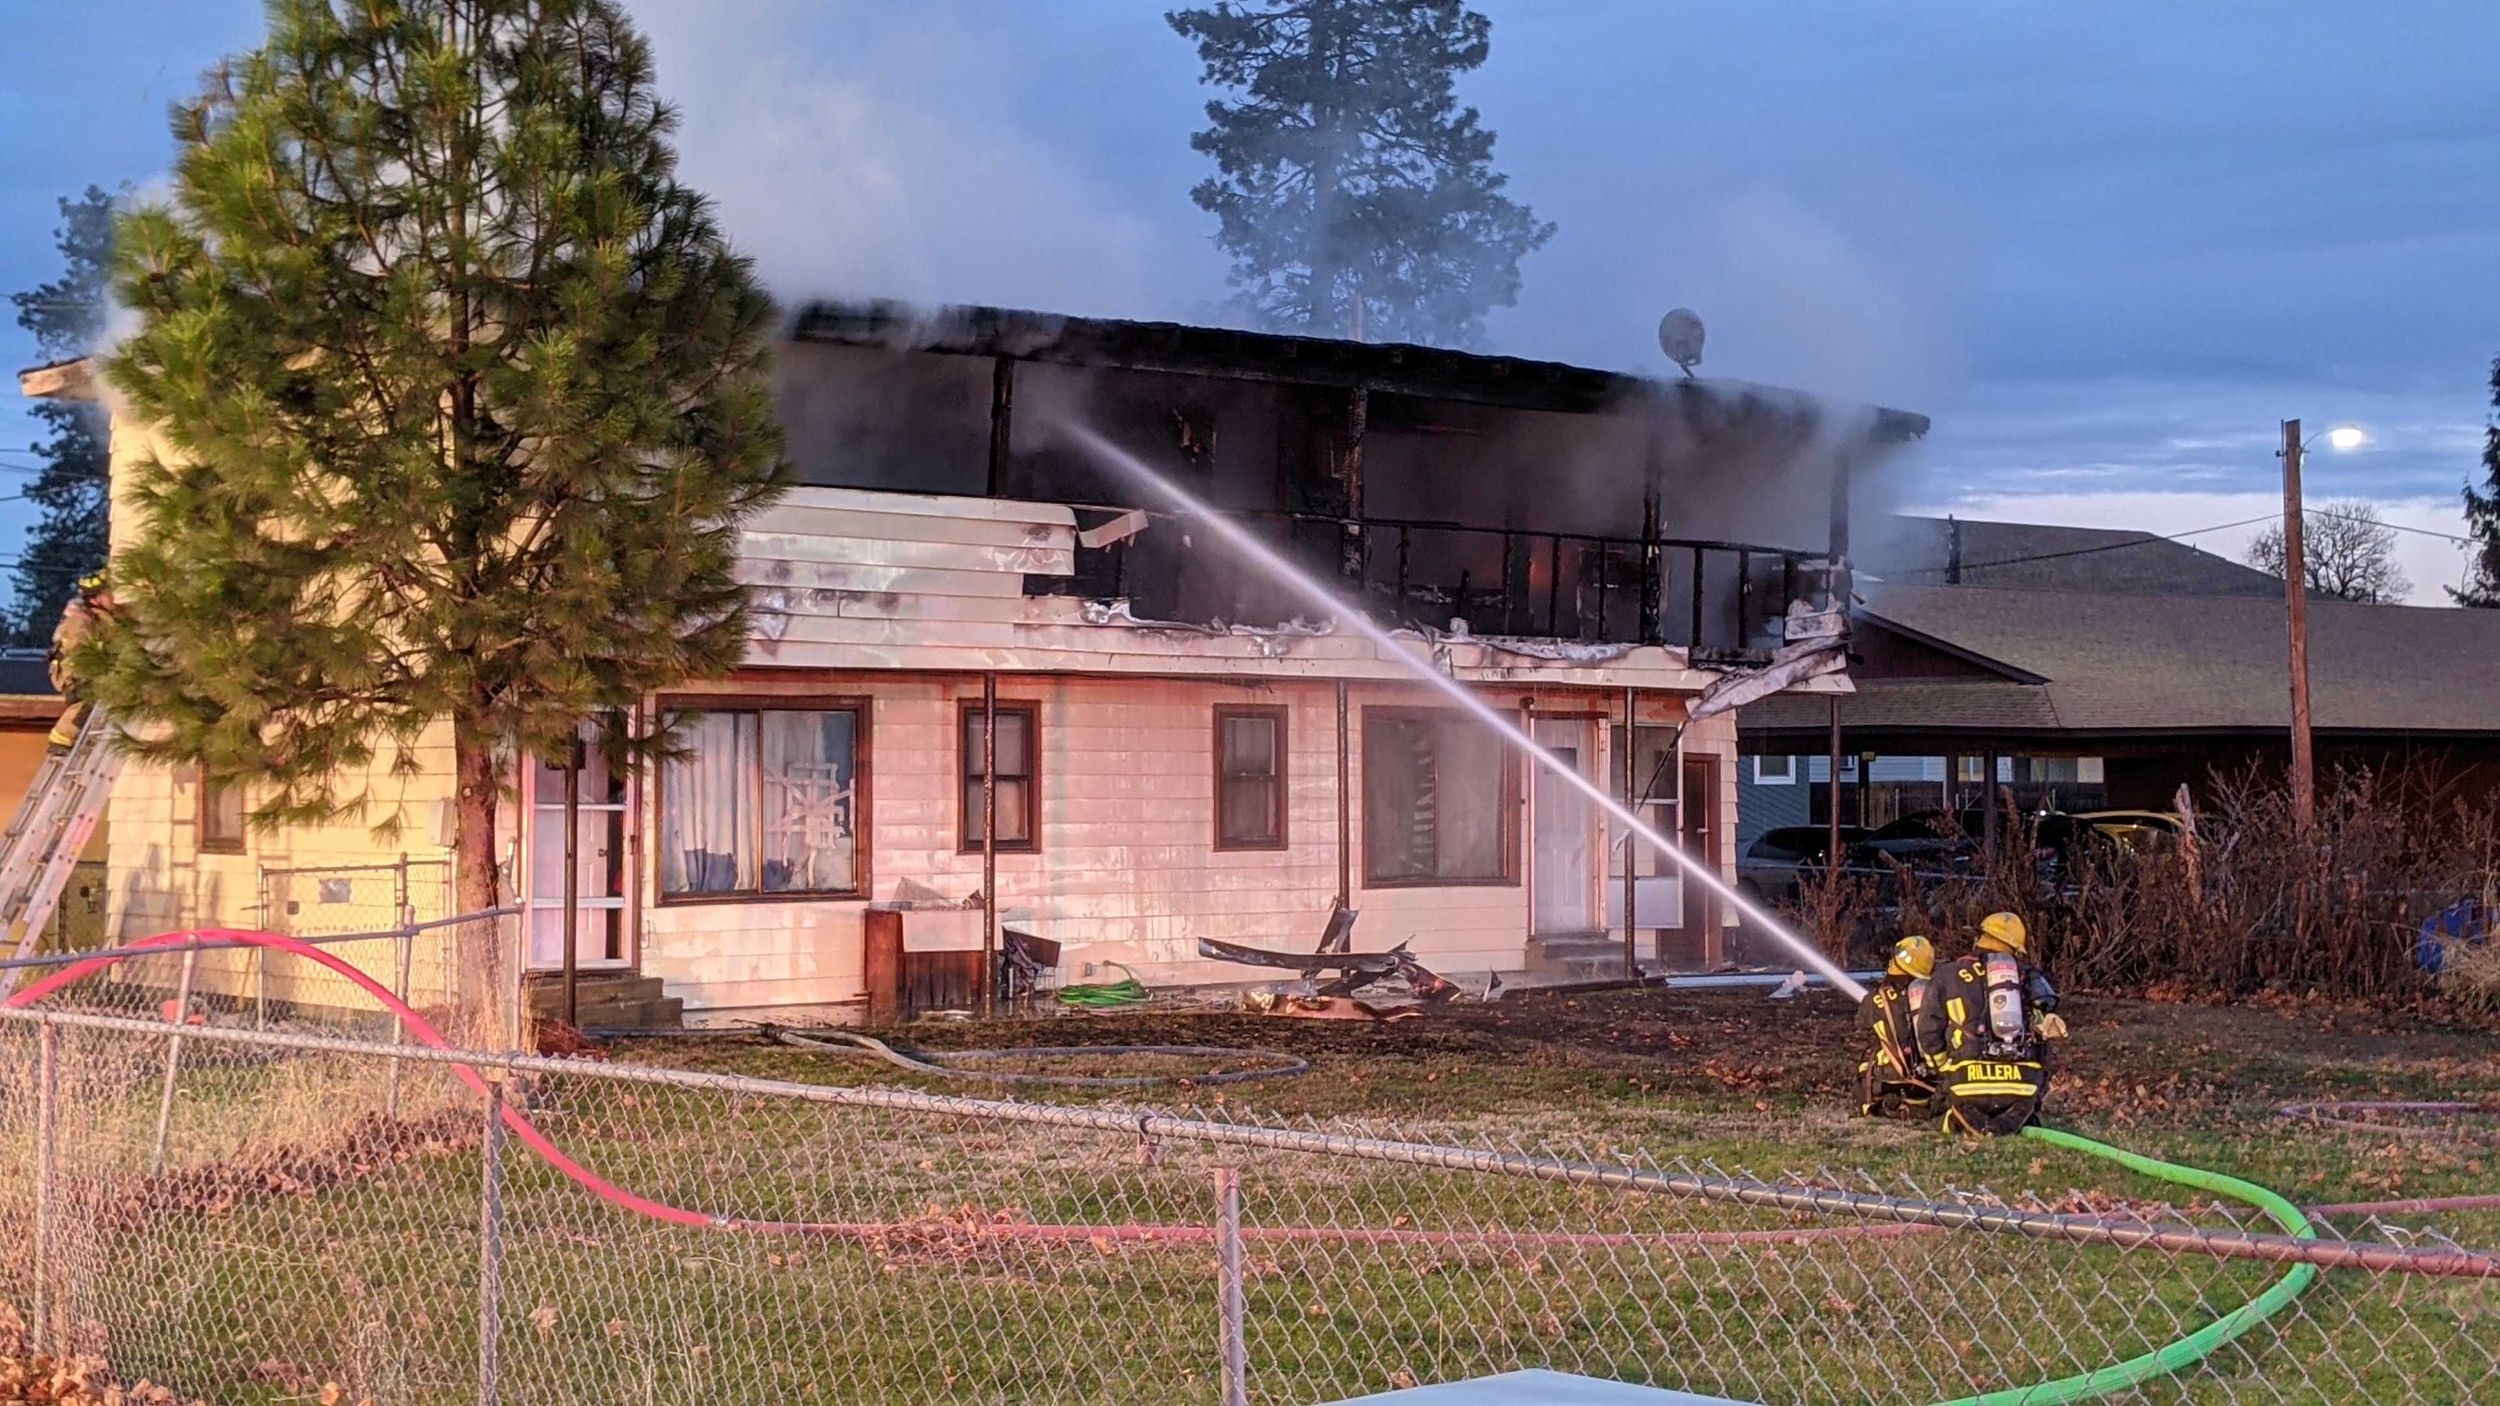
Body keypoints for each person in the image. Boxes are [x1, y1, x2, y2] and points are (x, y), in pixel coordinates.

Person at [1917, 911, 2067, 1136]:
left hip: (1966, 1083)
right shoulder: (2026, 976)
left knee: (1940, 1116)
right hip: (2021, 1086)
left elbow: (1928, 1031)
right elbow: (2046, 1019)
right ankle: (2018, 1118)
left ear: (1980, 938)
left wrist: (1942, 1067)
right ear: (2015, 949)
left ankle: (1960, 1121)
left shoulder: (1947, 974)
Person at [1856, 934, 1940, 1118]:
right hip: (1932, 1079)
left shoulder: (1873, 999)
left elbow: (1861, 1025)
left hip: (1889, 1081)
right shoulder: (1933, 993)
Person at [45, 573, 111, 754]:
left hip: (89, 669)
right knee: (88, 697)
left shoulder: (104, 618)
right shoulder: (81, 620)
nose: (113, 598)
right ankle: (60, 740)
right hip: (72, 672)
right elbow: (78, 650)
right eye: (108, 594)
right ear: (95, 598)